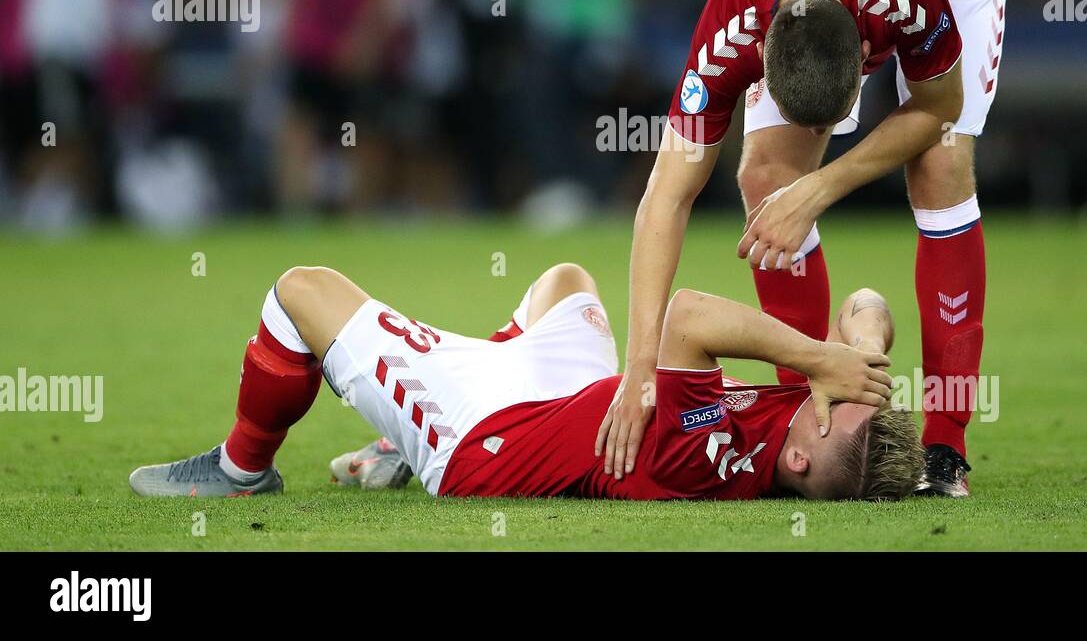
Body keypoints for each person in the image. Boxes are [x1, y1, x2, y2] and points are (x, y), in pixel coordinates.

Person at [599, 0, 1007, 497]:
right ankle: (802, 394)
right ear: (760, 58)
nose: (820, 137)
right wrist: (640, 366)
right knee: (764, 177)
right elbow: (665, 197)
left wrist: (818, 187)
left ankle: (946, 448)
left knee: (940, 164)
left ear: (871, 49)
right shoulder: (730, 21)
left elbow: (937, 108)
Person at [128, 262, 921, 501]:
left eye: (839, 412)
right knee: (568, 283)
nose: (838, 396)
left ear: (796, 463)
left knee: (299, 292)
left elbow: (685, 314)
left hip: (482, 440)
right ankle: (394, 432)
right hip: (562, 400)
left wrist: (822, 359)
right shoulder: (802, 429)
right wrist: (859, 348)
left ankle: (241, 470)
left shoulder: (703, 450)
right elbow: (869, 301)